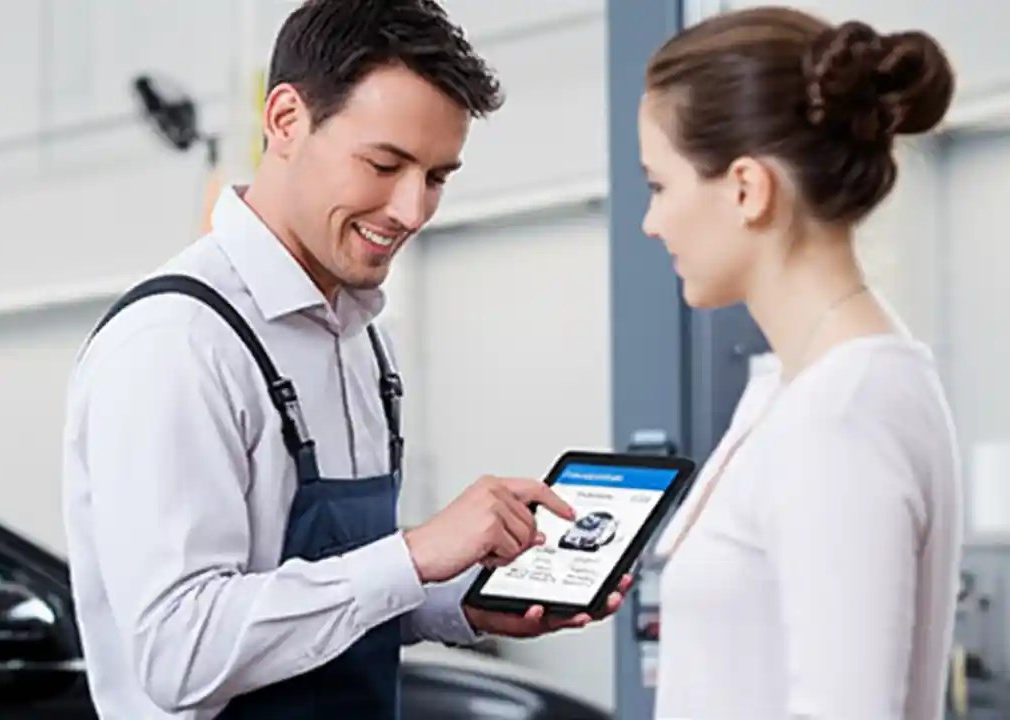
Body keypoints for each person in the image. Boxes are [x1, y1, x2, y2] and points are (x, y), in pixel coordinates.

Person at [61, 2, 627, 718]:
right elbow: (181, 651)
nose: (412, 210)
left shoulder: (357, 335)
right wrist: (415, 554)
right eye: (385, 164)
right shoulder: (176, 343)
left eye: (437, 177)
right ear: (286, 120)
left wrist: (466, 600)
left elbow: (332, 594)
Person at [637, 6, 962, 719]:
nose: (651, 221)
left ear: (747, 189)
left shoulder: (844, 412)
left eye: (660, 186)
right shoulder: (799, 389)